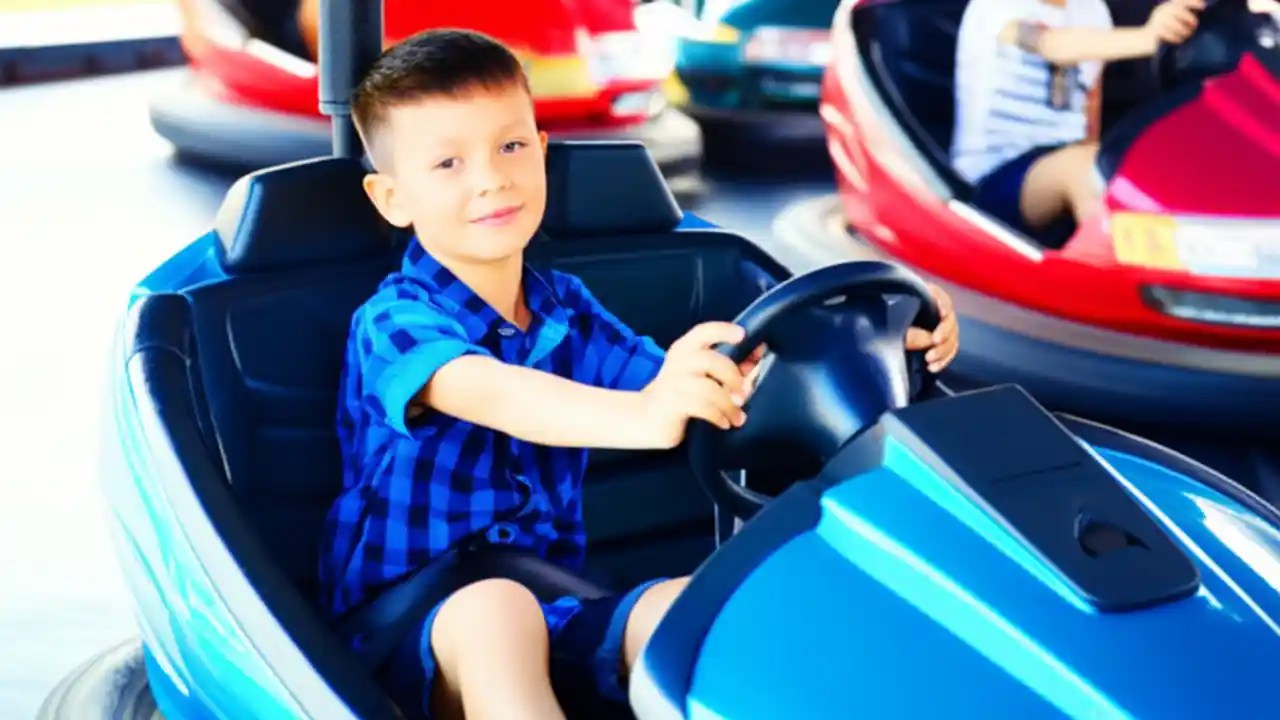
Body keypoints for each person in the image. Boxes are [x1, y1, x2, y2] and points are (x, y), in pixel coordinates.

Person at [316, 28, 962, 720]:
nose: (491, 178)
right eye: (448, 163)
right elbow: (492, 391)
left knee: (698, 611)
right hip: (403, 621)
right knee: (495, 615)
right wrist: (642, 414)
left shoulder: (566, 310)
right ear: (392, 199)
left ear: (540, 148)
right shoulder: (394, 321)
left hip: (555, 598)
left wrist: (881, 333)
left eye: (510, 146)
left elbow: (693, 387)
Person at [952, 0, 1205, 237]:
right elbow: (1049, 45)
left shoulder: (1092, 12)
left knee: (1123, 162)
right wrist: (1149, 37)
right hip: (991, 174)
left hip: (1065, 160)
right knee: (1083, 170)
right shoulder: (997, 7)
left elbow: (1089, 111)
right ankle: (1118, 273)